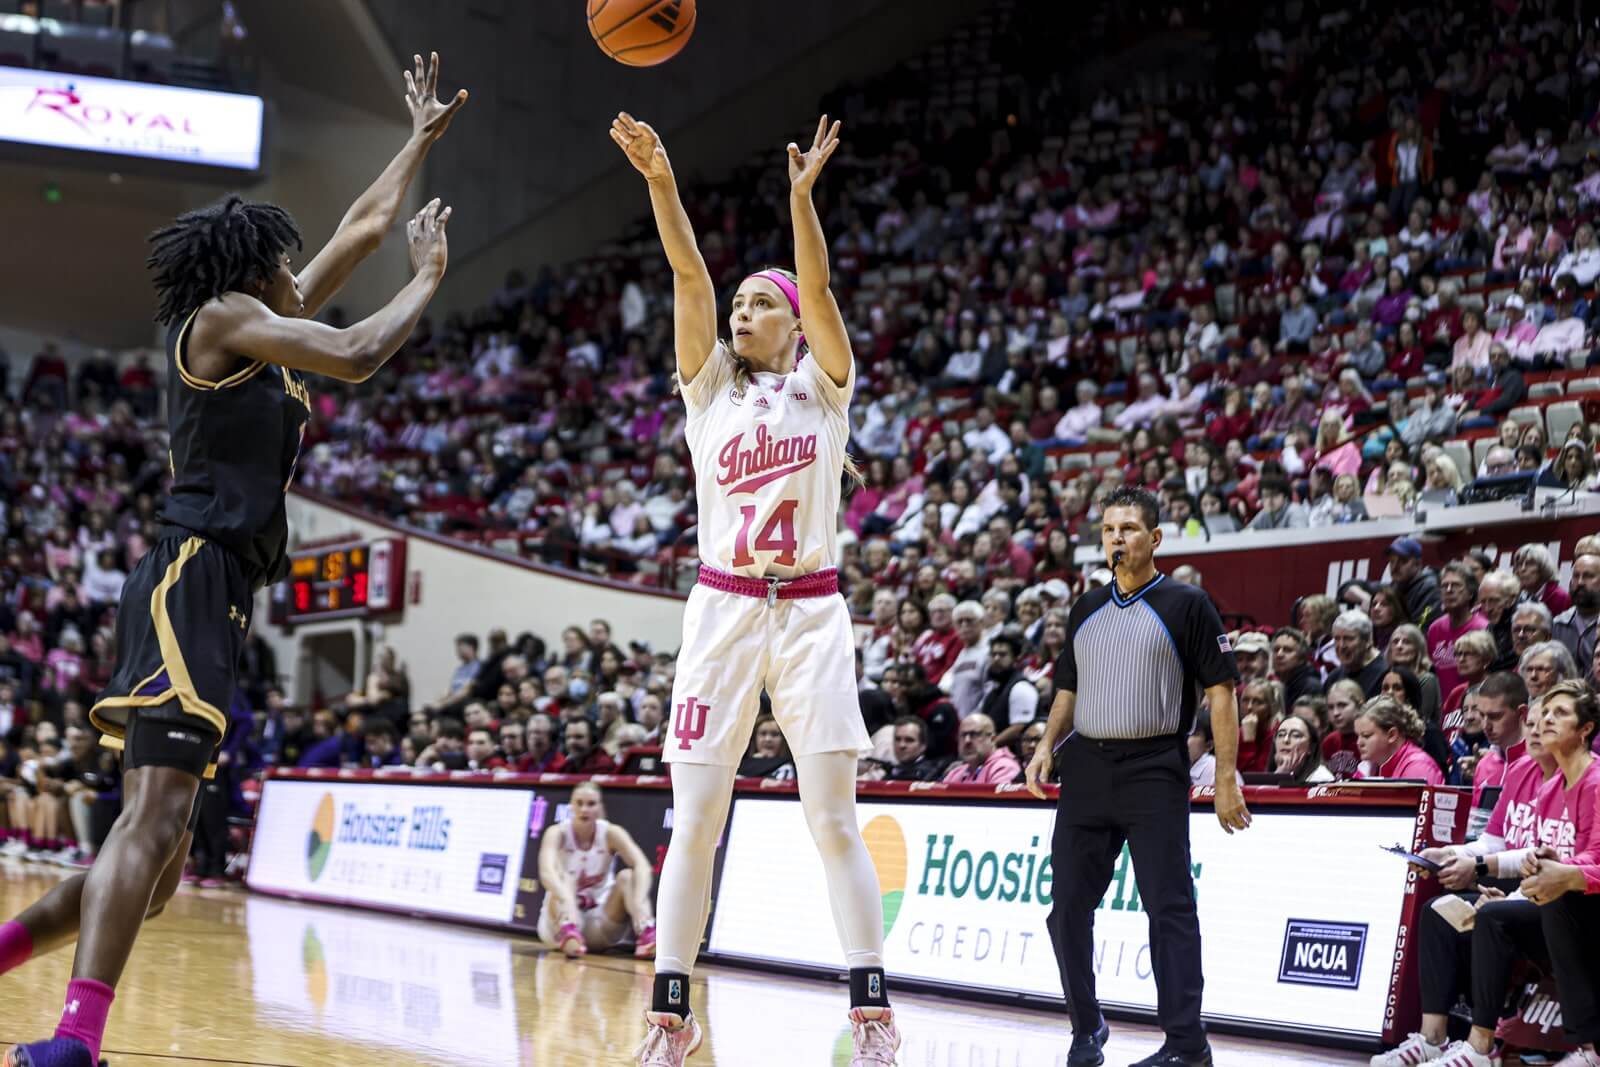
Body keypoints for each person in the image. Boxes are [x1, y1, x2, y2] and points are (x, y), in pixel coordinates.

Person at [0, 52, 466, 1067]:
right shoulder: (221, 321)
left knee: (158, 859)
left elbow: (361, 229)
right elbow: (354, 352)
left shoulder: (263, 321)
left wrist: (416, 142)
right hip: (188, 574)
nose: (303, 269)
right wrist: (428, 281)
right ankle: (73, 1042)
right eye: (285, 262)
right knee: (155, 818)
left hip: (223, 592)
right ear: (253, 272)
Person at [611, 111, 898, 1065]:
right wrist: (662, 180)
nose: (741, 311)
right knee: (694, 823)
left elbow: (815, 282)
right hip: (724, 609)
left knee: (831, 820)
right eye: (739, 305)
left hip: (812, 611)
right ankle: (670, 1016)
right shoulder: (709, 393)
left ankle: (871, 1011)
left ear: (793, 320)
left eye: (758, 303)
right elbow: (688, 274)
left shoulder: (826, 387)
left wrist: (800, 200)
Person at [1027, 485, 1249, 1067]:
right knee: (1067, 907)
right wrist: (1047, 744)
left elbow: (1222, 693)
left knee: (1169, 907)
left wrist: (1226, 776)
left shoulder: (1187, 603)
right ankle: (1086, 1026)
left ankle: (1186, 1044)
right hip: (1087, 771)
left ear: (1154, 538)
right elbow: (1067, 690)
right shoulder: (1086, 607)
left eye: (1127, 529)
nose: (1116, 539)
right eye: (1107, 530)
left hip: (1155, 768)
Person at [1418, 681, 1598, 1067]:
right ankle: (1467, 1043)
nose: (1544, 722)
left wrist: (1544, 881)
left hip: (1585, 908)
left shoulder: (1596, 784)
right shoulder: (1550, 787)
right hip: (1554, 903)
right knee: (1466, 912)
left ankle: (1588, 1052)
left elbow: (1587, 865)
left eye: (1558, 714)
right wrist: (1518, 887)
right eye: (1542, 715)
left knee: (1530, 908)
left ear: (1585, 730)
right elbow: (1535, 857)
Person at [1378, 697, 1556, 1067]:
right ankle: (1432, 1039)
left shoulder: (1573, 780)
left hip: (1554, 898)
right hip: (1516, 888)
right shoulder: (1522, 769)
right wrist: (1450, 853)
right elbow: (1495, 842)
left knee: (1492, 918)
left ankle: (1481, 1047)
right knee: (1438, 910)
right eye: (1533, 724)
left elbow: (1549, 859)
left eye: (1546, 723)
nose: (1537, 731)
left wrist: (1481, 872)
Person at [537, 782, 658, 960]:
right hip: (559, 918)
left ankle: (646, 931)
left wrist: (639, 902)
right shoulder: (557, 833)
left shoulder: (611, 832)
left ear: (599, 807)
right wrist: (566, 900)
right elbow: (546, 872)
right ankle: (568, 932)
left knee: (627, 876)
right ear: (571, 806)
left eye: (591, 804)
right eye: (579, 803)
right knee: (565, 877)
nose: (584, 809)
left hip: (599, 921)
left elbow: (643, 866)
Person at [1355, 696, 1443, 784]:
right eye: (1358, 736)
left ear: (1392, 735)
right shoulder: (1368, 767)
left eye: (1366, 736)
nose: (1359, 743)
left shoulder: (1419, 767)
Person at [940, 713, 1021, 784]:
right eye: (963, 735)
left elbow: (997, 801)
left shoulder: (1004, 768)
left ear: (992, 739)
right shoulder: (955, 773)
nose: (967, 741)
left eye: (974, 734)